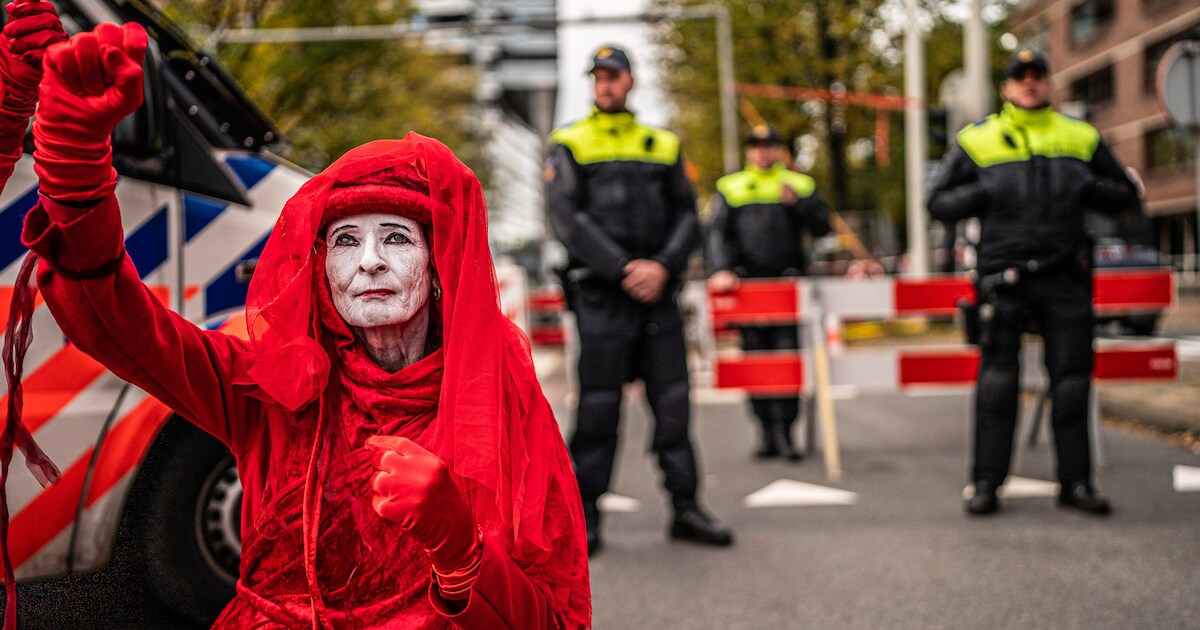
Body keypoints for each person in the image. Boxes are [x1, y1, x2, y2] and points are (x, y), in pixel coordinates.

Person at [11, 22, 591, 628]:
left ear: (440, 265)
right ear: (322, 270)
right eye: (345, 241)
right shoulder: (284, 387)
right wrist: (76, 174)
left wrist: (463, 553)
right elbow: (127, 331)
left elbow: (552, 620)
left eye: (395, 237)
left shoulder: (502, 414)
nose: (369, 261)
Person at [928, 49, 1139, 517]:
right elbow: (937, 201)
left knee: (1071, 384)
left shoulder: (1080, 137)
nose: (1029, 83)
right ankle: (985, 484)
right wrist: (984, 192)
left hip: (1067, 277)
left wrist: (1086, 185)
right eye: (1019, 77)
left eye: (1037, 75)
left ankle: (1076, 484)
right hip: (1003, 280)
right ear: (1005, 88)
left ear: (1049, 83)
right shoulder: (977, 139)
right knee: (997, 386)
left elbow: (1126, 196)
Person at [546, 45, 733, 554]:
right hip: (603, 298)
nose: (605, 84)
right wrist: (625, 269)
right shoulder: (569, 142)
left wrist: (664, 267)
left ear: (630, 81)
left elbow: (687, 216)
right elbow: (566, 218)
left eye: (614, 75)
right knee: (598, 412)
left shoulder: (663, 144)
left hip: (658, 300)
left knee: (673, 406)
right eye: (598, 76)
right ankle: (584, 518)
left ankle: (686, 509)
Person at [706, 124, 832, 461]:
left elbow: (823, 227)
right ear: (749, 151)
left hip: (787, 289)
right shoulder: (731, 188)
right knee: (755, 364)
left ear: (778, 149)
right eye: (756, 145)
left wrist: (799, 205)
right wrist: (721, 269)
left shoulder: (798, 184)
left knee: (786, 365)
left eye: (768, 144)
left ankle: (786, 432)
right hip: (748, 290)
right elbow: (716, 234)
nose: (762, 150)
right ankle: (765, 432)